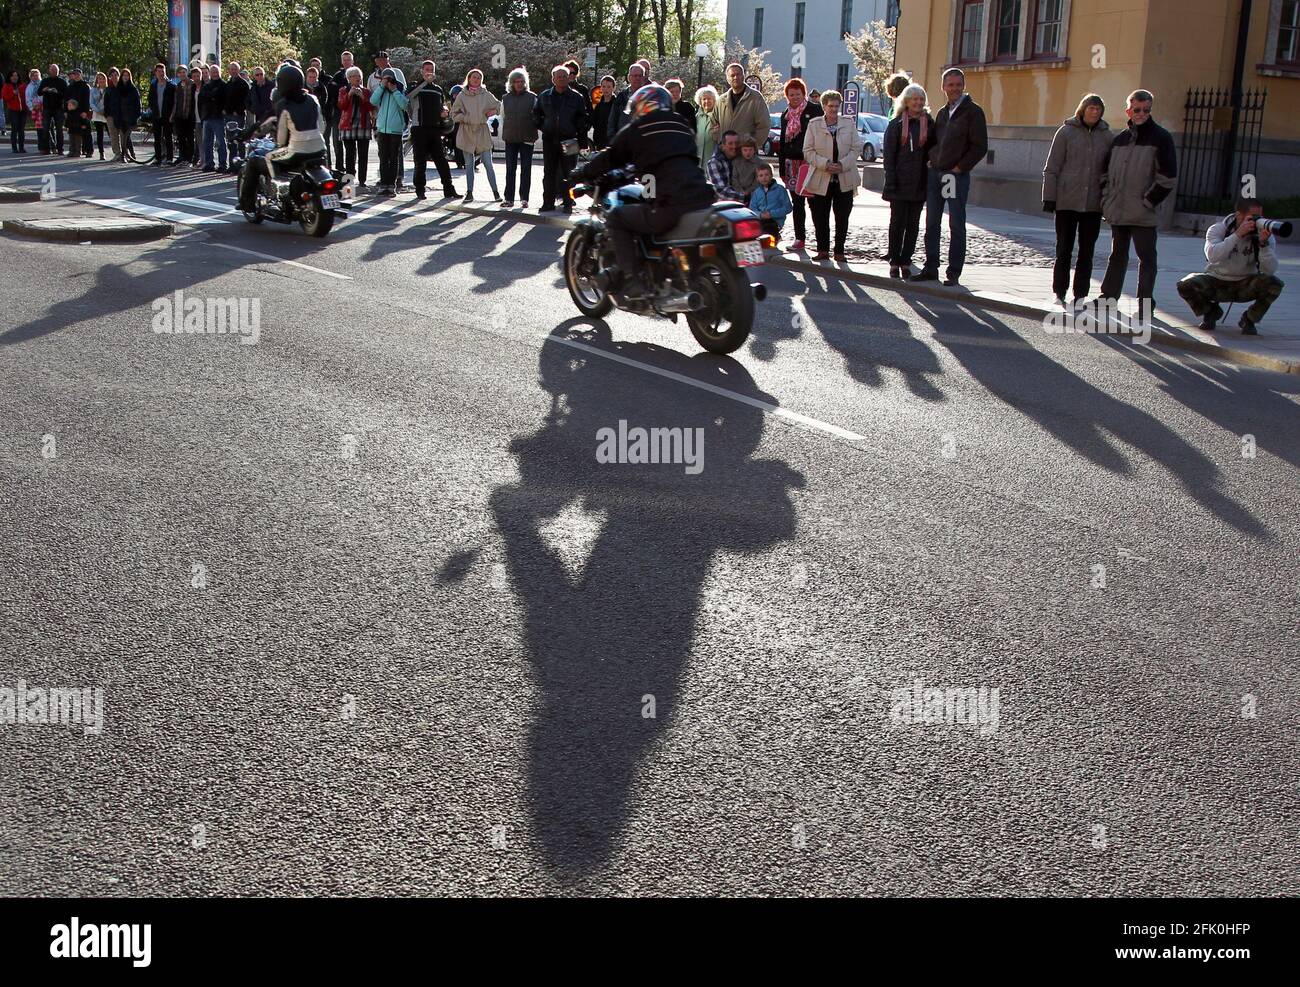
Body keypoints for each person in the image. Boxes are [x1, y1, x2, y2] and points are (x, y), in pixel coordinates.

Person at [570, 83, 715, 301]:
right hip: (702, 197)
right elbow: (662, 160)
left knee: (618, 217)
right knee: (646, 201)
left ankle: (632, 279)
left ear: (643, 107)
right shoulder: (682, 125)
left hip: (670, 203)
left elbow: (611, 156)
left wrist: (582, 172)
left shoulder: (640, 129)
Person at [1098, 89, 1177, 317]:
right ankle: (1108, 298)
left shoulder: (1161, 138)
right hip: (1118, 210)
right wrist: (1106, 199)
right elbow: (1105, 174)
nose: (1141, 113)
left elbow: (1168, 178)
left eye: (1146, 109)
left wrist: (1148, 202)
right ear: (1128, 110)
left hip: (1143, 212)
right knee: (1117, 256)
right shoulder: (1119, 140)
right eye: (1137, 109)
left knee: (1147, 259)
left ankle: (1144, 304)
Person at [913, 67, 987, 286]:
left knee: (956, 223)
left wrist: (959, 167)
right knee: (932, 222)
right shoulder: (943, 112)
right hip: (936, 174)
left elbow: (979, 146)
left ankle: (953, 271)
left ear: (963, 86)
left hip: (955, 176)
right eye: (949, 85)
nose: (953, 88)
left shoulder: (973, 112)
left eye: (957, 84)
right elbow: (935, 140)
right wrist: (931, 159)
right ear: (943, 87)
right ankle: (930, 267)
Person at [1041, 93, 1111, 308]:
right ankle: (1059, 291)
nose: (1094, 112)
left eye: (1098, 109)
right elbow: (1052, 167)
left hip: (1092, 204)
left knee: (1087, 251)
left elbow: (1109, 172)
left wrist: (1106, 200)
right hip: (1067, 201)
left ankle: (1080, 293)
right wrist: (1049, 197)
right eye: (1091, 108)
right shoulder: (1066, 132)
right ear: (1082, 109)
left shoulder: (1107, 136)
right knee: (1064, 248)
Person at [1176, 197, 1284, 335]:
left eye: (1260, 217)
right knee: (1185, 285)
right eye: (1253, 217)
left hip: (1245, 284)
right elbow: (1212, 256)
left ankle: (1249, 319)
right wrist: (1237, 235)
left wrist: (1263, 245)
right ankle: (1211, 312)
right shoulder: (1218, 229)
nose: (1257, 221)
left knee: (1274, 284)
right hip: (1217, 280)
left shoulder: (1264, 235)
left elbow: (1269, 270)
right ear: (1239, 215)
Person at [238, 63, 327, 212]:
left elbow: (281, 138)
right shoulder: (313, 99)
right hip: (320, 148)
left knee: (259, 159)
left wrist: (281, 143)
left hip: (296, 150)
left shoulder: (283, 105)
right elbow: (321, 126)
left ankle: (272, 194)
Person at [802, 89, 863, 262]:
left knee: (842, 216)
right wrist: (825, 164)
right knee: (821, 216)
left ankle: (839, 251)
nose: (833, 110)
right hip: (822, 176)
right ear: (824, 106)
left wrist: (842, 165)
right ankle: (822, 249)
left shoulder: (848, 123)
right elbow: (808, 151)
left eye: (836, 106)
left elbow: (856, 148)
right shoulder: (814, 124)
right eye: (830, 106)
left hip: (844, 177)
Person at [882, 83, 933, 278]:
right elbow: (889, 155)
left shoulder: (928, 123)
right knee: (897, 223)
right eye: (914, 99)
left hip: (919, 182)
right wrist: (891, 179)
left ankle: (906, 259)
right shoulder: (895, 125)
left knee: (913, 224)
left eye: (921, 99)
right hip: (899, 181)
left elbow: (933, 148)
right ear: (906, 101)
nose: (918, 103)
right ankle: (894, 260)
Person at [532, 63, 587, 213]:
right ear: (553, 79)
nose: (562, 79)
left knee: (569, 173)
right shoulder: (544, 96)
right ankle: (548, 202)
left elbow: (582, 119)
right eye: (559, 77)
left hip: (569, 140)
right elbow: (536, 114)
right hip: (550, 139)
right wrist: (544, 126)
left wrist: (582, 141)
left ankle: (568, 202)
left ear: (569, 78)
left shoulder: (577, 97)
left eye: (564, 76)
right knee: (548, 172)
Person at [777, 78, 821, 252]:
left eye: (798, 94)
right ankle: (799, 238)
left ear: (804, 94)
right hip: (790, 163)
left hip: (808, 163)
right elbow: (782, 141)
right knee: (797, 203)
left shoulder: (814, 110)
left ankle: (820, 240)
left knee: (814, 203)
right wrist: (781, 167)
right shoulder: (785, 114)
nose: (794, 97)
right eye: (791, 94)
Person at [408, 59, 458, 201]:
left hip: (435, 128)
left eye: (431, 69)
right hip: (419, 128)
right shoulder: (415, 85)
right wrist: (424, 82)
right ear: (422, 71)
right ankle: (420, 189)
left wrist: (444, 111)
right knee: (420, 161)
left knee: (441, 160)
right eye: (426, 69)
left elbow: (442, 105)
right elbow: (408, 96)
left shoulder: (438, 89)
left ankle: (449, 189)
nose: (429, 72)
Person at [450, 68, 500, 203]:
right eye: (474, 77)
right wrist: (465, 117)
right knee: (469, 164)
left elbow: (499, 106)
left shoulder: (486, 94)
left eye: (479, 77)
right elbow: (453, 113)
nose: (476, 79)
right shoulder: (462, 95)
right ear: (469, 78)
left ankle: (496, 192)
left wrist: (492, 111)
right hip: (467, 131)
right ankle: (470, 192)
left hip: (482, 131)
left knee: (488, 163)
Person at [499, 67, 536, 207]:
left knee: (526, 169)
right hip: (511, 138)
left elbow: (537, 117)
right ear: (511, 83)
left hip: (527, 137)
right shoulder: (505, 98)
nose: (519, 84)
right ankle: (508, 198)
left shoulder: (532, 97)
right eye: (516, 81)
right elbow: (503, 117)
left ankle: (524, 199)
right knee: (510, 169)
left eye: (521, 81)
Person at [711, 62, 768, 149]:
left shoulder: (756, 98)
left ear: (743, 76)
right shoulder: (721, 101)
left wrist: (751, 146)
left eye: (738, 74)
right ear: (727, 79)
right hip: (725, 152)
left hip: (745, 154)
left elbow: (764, 125)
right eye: (732, 75)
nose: (736, 77)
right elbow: (713, 124)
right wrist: (720, 140)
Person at [370, 67, 408, 196]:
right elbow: (373, 101)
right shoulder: (381, 90)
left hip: (395, 129)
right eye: (385, 78)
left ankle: (391, 185)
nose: (387, 81)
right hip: (382, 128)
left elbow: (404, 105)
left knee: (394, 158)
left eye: (389, 78)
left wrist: (394, 90)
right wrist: (381, 86)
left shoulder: (399, 89)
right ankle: (383, 184)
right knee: (383, 157)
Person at [337, 65, 375, 189]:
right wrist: (349, 95)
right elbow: (341, 105)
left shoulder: (366, 91)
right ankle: (349, 180)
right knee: (350, 154)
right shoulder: (343, 90)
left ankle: (362, 180)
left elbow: (371, 107)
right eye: (354, 76)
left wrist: (362, 97)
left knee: (363, 154)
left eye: (359, 76)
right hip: (348, 126)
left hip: (363, 125)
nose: (357, 78)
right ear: (349, 78)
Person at [749, 162, 792, 238]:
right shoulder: (757, 192)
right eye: (761, 175)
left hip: (775, 220)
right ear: (757, 178)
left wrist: (771, 214)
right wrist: (760, 215)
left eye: (766, 175)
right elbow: (752, 209)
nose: (764, 178)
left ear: (771, 175)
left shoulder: (780, 190)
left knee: (767, 232)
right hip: (761, 219)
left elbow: (788, 207)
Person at [607, 62, 648, 139]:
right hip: (624, 141)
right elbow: (612, 121)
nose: (638, 78)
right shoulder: (621, 97)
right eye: (635, 76)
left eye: (640, 75)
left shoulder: (649, 97)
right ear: (629, 77)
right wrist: (612, 140)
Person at [198, 64, 227, 171]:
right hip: (207, 117)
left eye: (216, 71)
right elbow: (202, 99)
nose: (214, 74)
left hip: (218, 117)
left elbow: (221, 98)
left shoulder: (223, 85)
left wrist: (212, 96)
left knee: (220, 142)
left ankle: (222, 164)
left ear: (219, 72)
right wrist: (212, 96)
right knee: (207, 142)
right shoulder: (206, 85)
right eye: (212, 72)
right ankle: (209, 163)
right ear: (209, 73)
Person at [329, 51, 355, 166]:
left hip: (353, 113)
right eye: (344, 60)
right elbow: (332, 91)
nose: (346, 62)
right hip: (339, 112)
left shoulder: (357, 74)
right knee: (337, 140)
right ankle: (339, 166)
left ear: (352, 61)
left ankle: (351, 167)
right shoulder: (337, 75)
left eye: (348, 59)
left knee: (350, 143)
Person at [224, 62, 250, 170]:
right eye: (231, 69)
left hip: (238, 116)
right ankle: (232, 165)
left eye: (235, 69)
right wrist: (225, 110)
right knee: (230, 142)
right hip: (228, 116)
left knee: (240, 141)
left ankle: (241, 165)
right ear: (228, 71)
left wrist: (238, 111)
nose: (233, 71)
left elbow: (247, 100)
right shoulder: (228, 84)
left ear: (238, 70)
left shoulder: (243, 84)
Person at [38, 64, 67, 155]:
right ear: (49, 71)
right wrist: (44, 90)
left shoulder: (62, 82)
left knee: (59, 130)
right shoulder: (45, 81)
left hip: (58, 108)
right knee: (45, 129)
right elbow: (39, 92)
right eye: (52, 70)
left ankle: (60, 149)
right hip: (47, 108)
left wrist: (57, 92)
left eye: (55, 70)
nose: (54, 71)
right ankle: (46, 148)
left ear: (58, 71)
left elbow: (66, 94)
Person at [114, 69, 142, 162]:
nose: (125, 77)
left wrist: (137, 116)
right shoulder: (119, 88)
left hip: (130, 116)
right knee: (125, 136)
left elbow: (138, 103)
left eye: (127, 75)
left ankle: (125, 155)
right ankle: (130, 155)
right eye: (124, 75)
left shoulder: (133, 88)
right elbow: (116, 102)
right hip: (121, 115)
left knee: (126, 136)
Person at [706, 130, 742, 201]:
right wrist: (746, 197)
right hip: (722, 206)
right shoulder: (714, 162)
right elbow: (721, 192)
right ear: (723, 145)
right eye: (730, 143)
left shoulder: (741, 159)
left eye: (736, 143)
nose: (734, 146)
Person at [171, 66, 196, 165]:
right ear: (178, 74)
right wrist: (173, 115)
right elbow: (176, 102)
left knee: (190, 137)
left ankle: (190, 158)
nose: (182, 74)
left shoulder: (192, 84)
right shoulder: (178, 86)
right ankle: (182, 157)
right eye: (180, 73)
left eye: (184, 72)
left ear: (187, 73)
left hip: (189, 115)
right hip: (179, 115)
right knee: (180, 137)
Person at [65, 68, 92, 159]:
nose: (76, 76)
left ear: (81, 75)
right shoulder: (70, 86)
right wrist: (66, 111)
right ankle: (72, 150)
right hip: (72, 113)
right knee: (72, 131)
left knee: (85, 133)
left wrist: (85, 111)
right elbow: (66, 99)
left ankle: (87, 150)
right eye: (74, 74)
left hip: (82, 112)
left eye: (77, 74)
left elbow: (87, 100)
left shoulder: (85, 86)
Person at [563, 59, 590, 144]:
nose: (571, 75)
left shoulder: (582, 90)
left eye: (573, 73)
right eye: (569, 73)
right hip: (562, 131)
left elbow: (589, 110)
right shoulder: (559, 89)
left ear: (576, 74)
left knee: (573, 156)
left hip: (578, 132)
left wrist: (585, 126)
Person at [694, 84, 719, 166]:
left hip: (713, 161)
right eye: (704, 99)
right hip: (697, 161)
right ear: (700, 101)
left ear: (714, 100)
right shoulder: (696, 117)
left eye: (709, 99)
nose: (706, 101)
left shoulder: (718, 117)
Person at [3, 70, 27, 152]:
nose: (15, 77)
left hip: (23, 110)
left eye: (16, 76)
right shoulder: (7, 86)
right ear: (10, 77)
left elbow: (27, 96)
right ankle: (14, 148)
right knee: (15, 129)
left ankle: (21, 147)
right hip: (13, 110)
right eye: (13, 76)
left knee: (21, 129)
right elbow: (5, 97)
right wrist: (13, 93)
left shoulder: (23, 85)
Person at [592, 75, 617, 149]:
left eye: (609, 87)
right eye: (603, 86)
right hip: (600, 141)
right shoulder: (598, 104)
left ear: (613, 88)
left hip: (613, 141)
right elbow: (595, 122)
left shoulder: (617, 104)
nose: (606, 89)